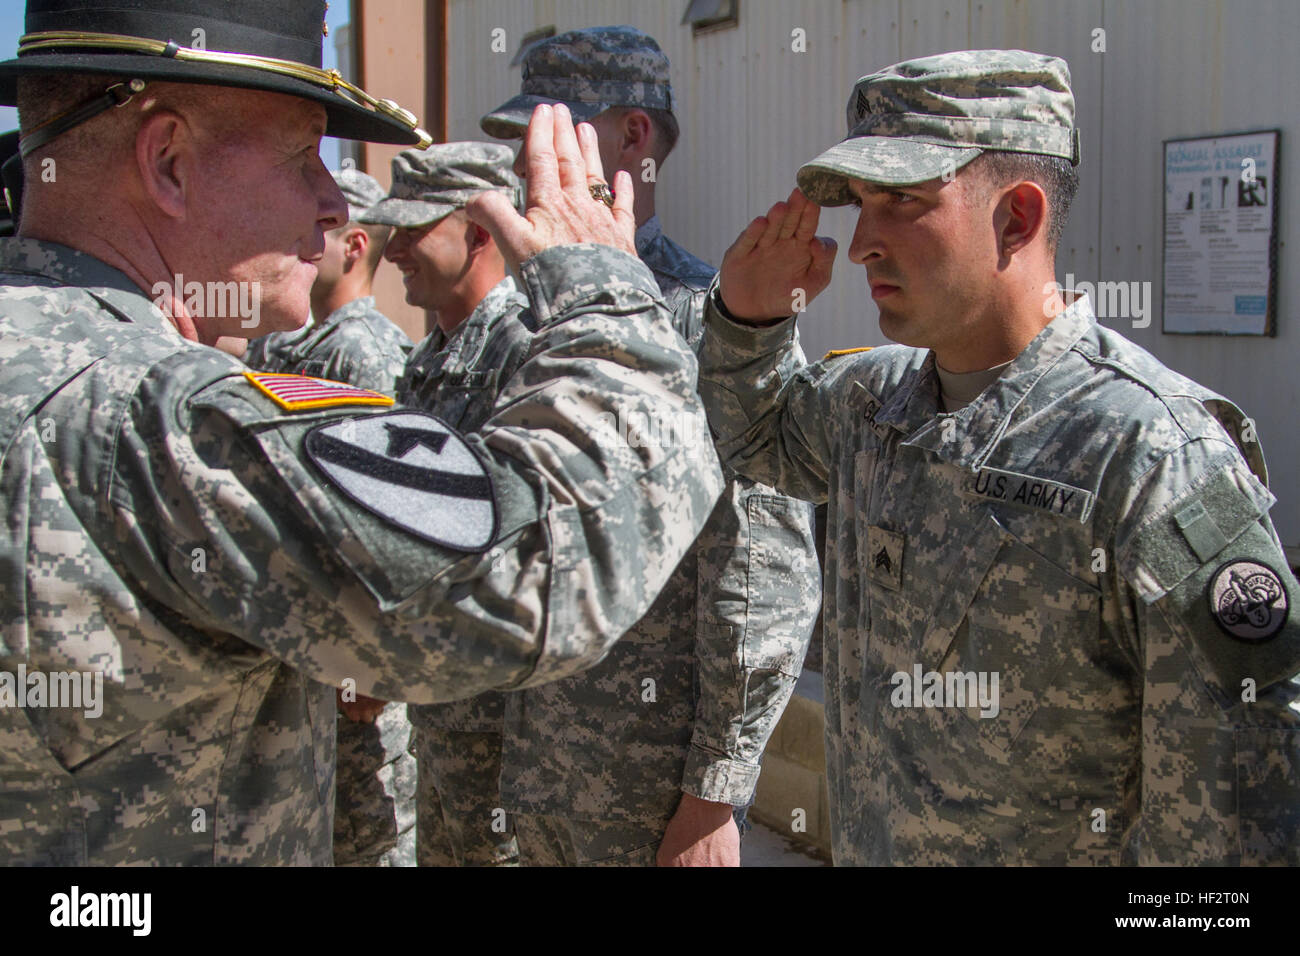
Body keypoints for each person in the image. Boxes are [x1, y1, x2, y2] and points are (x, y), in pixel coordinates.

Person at [0, 0, 723, 865]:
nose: (334, 203)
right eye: (304, 154)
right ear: (168, 161)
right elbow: (538, 574)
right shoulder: (169, 411)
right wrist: (606, 290)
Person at [697, 48, 1300, 865]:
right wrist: (747, 321)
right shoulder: (873, 403)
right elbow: (754, 439)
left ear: (1016, 217)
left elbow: (1240, 817)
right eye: (863, 205)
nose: (864, 242)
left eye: (903, 201)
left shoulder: (1152, 454)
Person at [480, 25, 821, 866]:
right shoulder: (520, 317)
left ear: (634, 137)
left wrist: (713, 798)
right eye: (522, 136)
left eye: (554, 130)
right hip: (531, 774)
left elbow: (764, 571)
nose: (529, 158)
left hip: (641, 797)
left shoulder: (717, 318)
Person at [359, 141, 528, 866]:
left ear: (481, 234)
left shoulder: (526, 349)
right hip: (442, 716)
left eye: (416, 230)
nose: (394, 249)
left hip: (511, 732)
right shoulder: (426, 361)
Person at [245, 167, 415, 867]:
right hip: (305, 664)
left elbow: (392, 522)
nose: (298, 246)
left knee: (372, 845)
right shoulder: (283, 346)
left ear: (354, 248)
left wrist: (377, 664)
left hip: (354, 684)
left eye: (319, 232)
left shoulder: (364, 353)